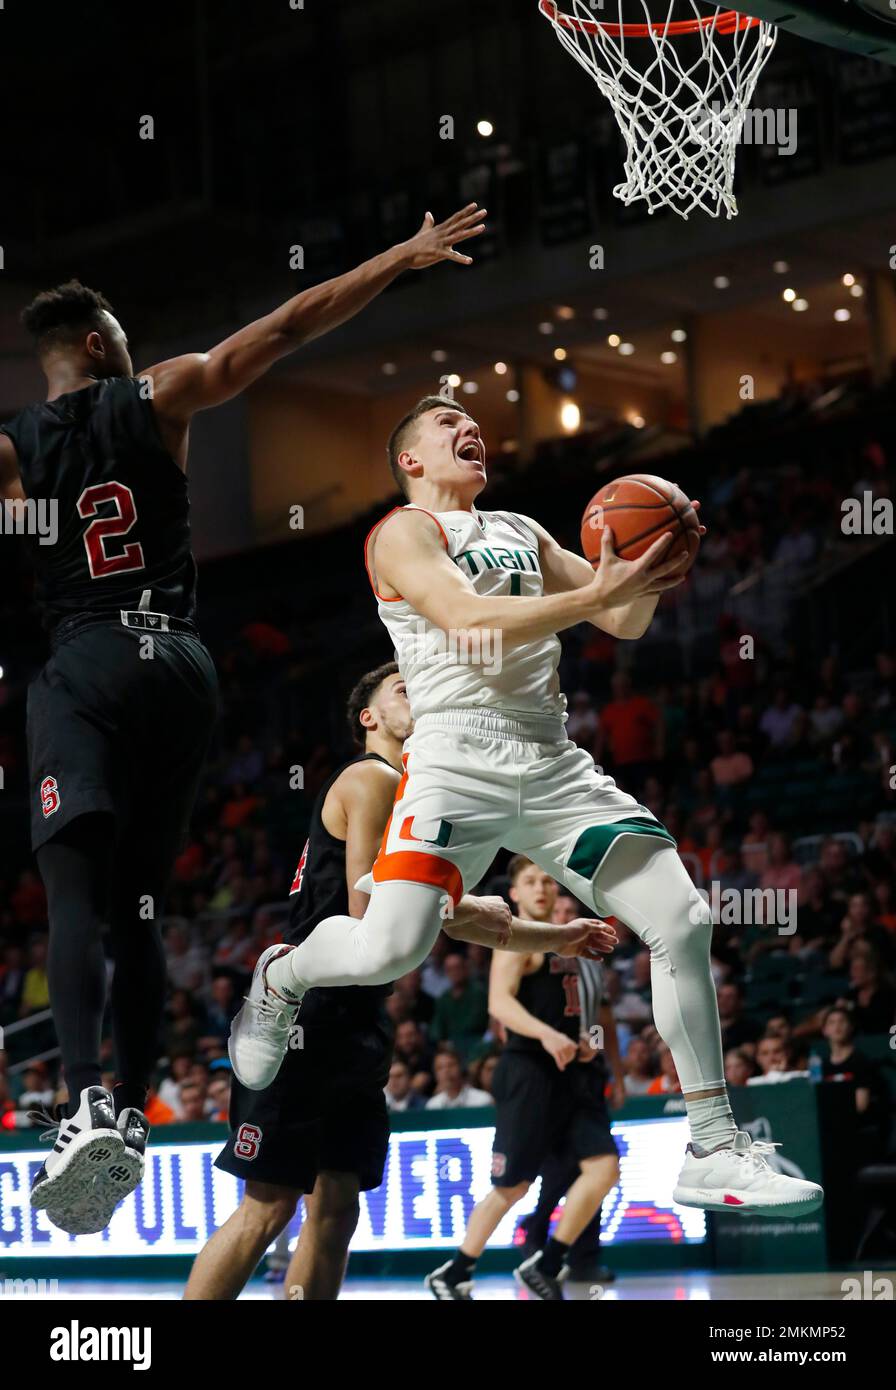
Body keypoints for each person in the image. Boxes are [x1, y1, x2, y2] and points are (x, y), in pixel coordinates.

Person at [0, 205, 488, 1236]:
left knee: (77, 890)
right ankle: (128, 1112)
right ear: (101, 345)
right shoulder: (162, 394)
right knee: (139, 903)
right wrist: (394, 258)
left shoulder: (13, 451)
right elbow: (281, 330)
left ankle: (86, 1099)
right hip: (177, 664)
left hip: (83, 659)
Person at [232, 394, 823, 1221]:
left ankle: (712, 1145)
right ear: (409, 460)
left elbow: (621, 618)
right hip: (454, 760)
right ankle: (282, 971)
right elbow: (469, 618)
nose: (467, 426)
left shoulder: (520, 528)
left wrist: (655, 562)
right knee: (390, 949)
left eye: (472, 419)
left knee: (682, 918)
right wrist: (597, 596)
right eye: (446, 424)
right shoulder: (402, 534)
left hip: (550, 760)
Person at [186, 665, 613, 1301]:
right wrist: (466, 907)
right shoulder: (372, 778)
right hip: (303, 1012)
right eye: (402, 689)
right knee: (270, 1205)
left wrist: (557, 936)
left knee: (337, 1208)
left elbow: (462, 924)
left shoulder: (417, 798)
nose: (420, 693)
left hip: (360, 1021)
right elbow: (369, 906)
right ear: (369, 717)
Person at [426, 857, 620, 1300]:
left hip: (574, 1073)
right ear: (513, 893)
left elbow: (584, 1007)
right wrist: (549, 1034)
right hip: (529, 1071)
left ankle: (549, 1263)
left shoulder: (568, 940)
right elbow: (499, 1003)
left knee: (604, 1169)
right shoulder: (514, 939)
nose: (541, 888)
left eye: (548, 881)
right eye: (530, 881)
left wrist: (584, 1039)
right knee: (512, 1185)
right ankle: (454, 1272)